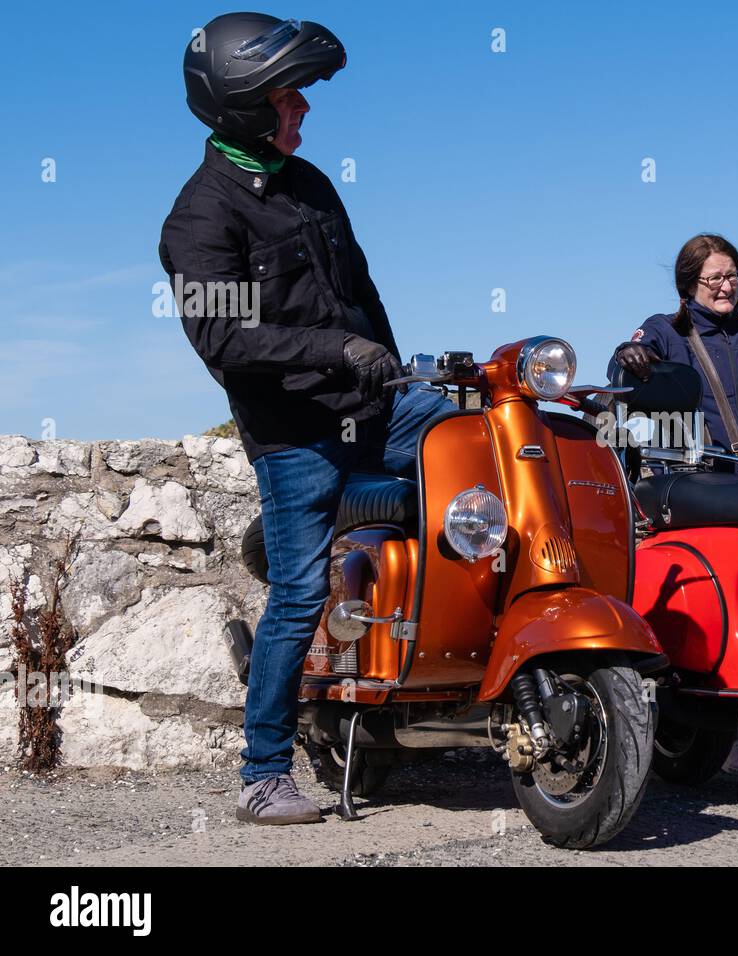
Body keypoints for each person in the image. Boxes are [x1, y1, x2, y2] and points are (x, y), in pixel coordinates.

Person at [159, 13, 452, 824]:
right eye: (289, 96)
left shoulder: (313, 184)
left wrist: (390, 363)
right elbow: (224, 337)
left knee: (477, 445)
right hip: (296, 433)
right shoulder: (199, 217)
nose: (304, 108)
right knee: (295, 594)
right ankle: (262, 775)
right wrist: (337, 349)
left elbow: (363, 290)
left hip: (378, 406)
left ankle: (459, 680)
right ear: (243, 106)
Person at [609, 233, 738, 778]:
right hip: (700, 475)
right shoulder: (665, 331)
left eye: (732, 275)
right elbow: (626, 365)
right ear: (689, 284)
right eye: (714, 278)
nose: (726, 286)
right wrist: (629, 356)